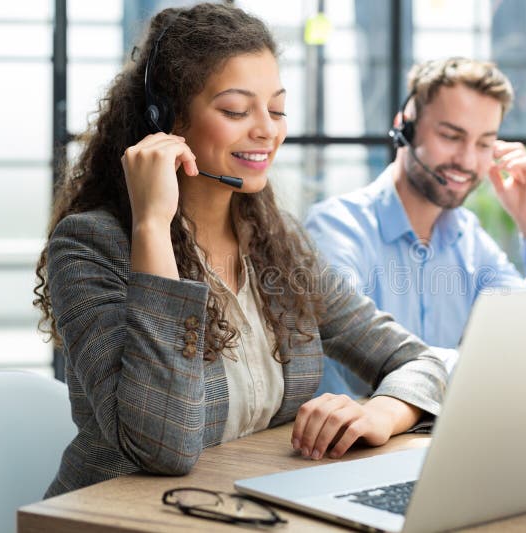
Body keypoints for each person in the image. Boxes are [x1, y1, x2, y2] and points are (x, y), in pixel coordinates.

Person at [33, 3, 446, 498]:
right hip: (115, 517)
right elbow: (162, 445)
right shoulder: (90, 245)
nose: (267, 130)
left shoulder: (277, 242)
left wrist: (380, 412)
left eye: (276, 109)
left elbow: (420, 362)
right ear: (164, 118)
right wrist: (152, 227)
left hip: (243, 506)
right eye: (235, 110)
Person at [306, 58, 526, 398]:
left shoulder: (469, 238)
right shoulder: (336, 229)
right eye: (451, 136)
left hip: (436, 441)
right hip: (351, 448)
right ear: (406, 127)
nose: (468, 161)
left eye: (484, 143)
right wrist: (495, 370)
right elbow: (364, 363)